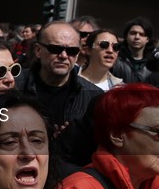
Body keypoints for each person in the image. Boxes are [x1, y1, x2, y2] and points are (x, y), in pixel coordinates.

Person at [16, 22, 102, 169]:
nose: (63, 56)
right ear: (38, 50)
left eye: (72, 51)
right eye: (55, 49)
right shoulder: (14, 87)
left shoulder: (94, 97)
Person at [113, 17, 154, 84]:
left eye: (141, 34)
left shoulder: (152, 64)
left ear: (147, 39)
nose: (137, 37)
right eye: (133, 33)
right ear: (126, 36)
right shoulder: (115, 59)